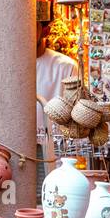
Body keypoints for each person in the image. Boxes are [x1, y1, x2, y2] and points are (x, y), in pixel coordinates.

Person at [36, 21, 79, 160]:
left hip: (55, 153)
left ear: (45, 31)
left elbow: (76, 115)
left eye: (32, 26)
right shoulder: (8, 65)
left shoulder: (66, 67)